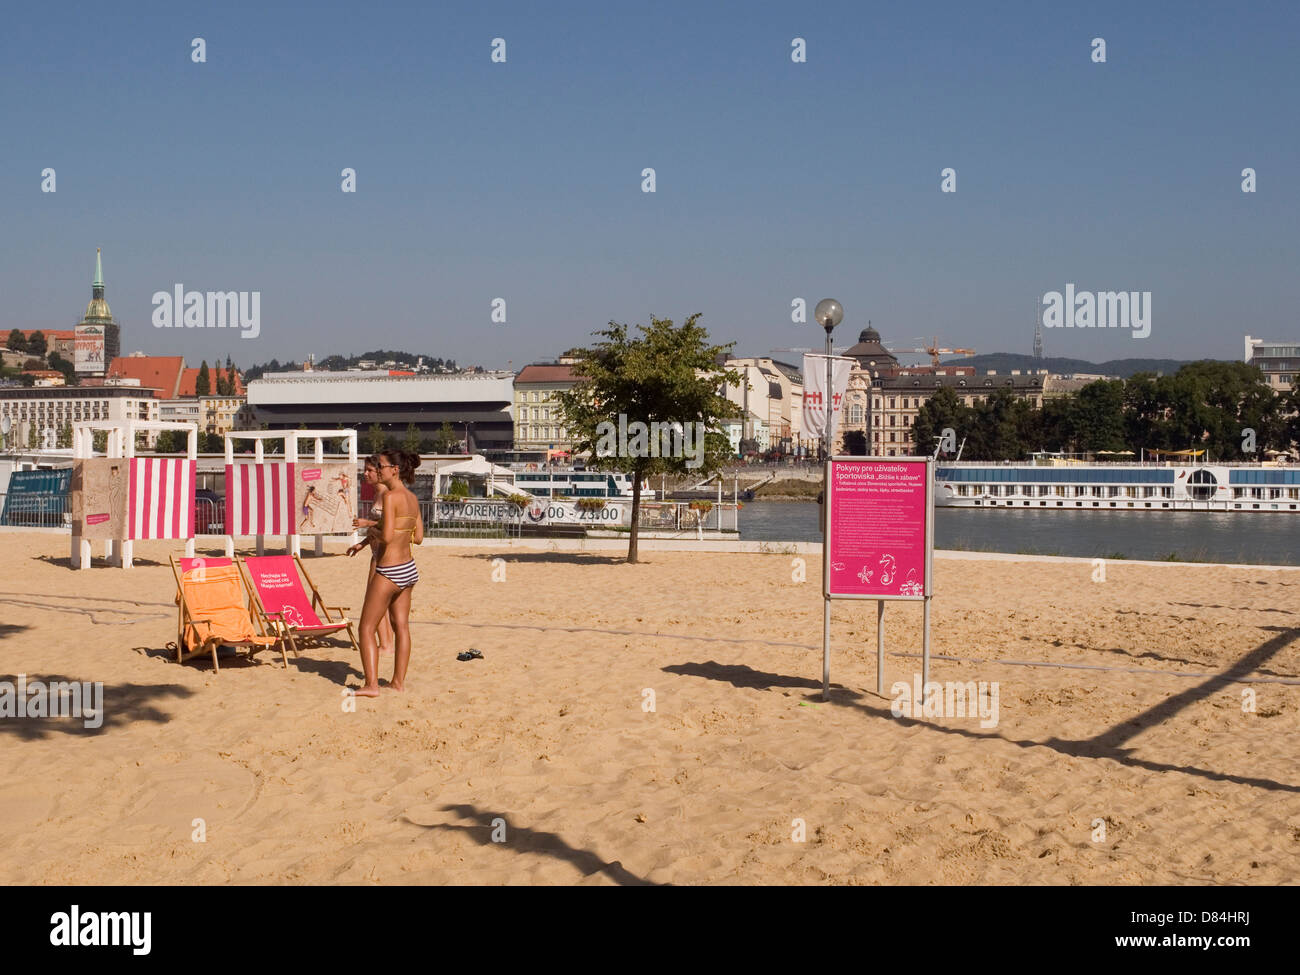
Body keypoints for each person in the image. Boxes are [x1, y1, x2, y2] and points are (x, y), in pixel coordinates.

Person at [354, 448, 423, 697]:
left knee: (365, 627)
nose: (378, 469)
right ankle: (397, 682)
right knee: (401, 627)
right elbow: (420, 537)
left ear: (395, 469)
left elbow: (386, 535)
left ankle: (372, 685)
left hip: (389, 569)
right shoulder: (413, 498)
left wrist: (371, 528)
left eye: (381, 466)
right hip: (409, 569)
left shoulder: (391, 497)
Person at [347, 458, 394, 656]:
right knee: (377, 599)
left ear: (379, 472)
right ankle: (387, 642)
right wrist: (362, 544)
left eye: (369, 470)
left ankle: (386, 645)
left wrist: (367, 523)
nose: (365, 474)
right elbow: (377, 526)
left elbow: (389, 525)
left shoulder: (386, 494)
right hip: (376, 551)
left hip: (384, 553)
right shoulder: (378, 493)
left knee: (375, 599)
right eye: (364, 470)